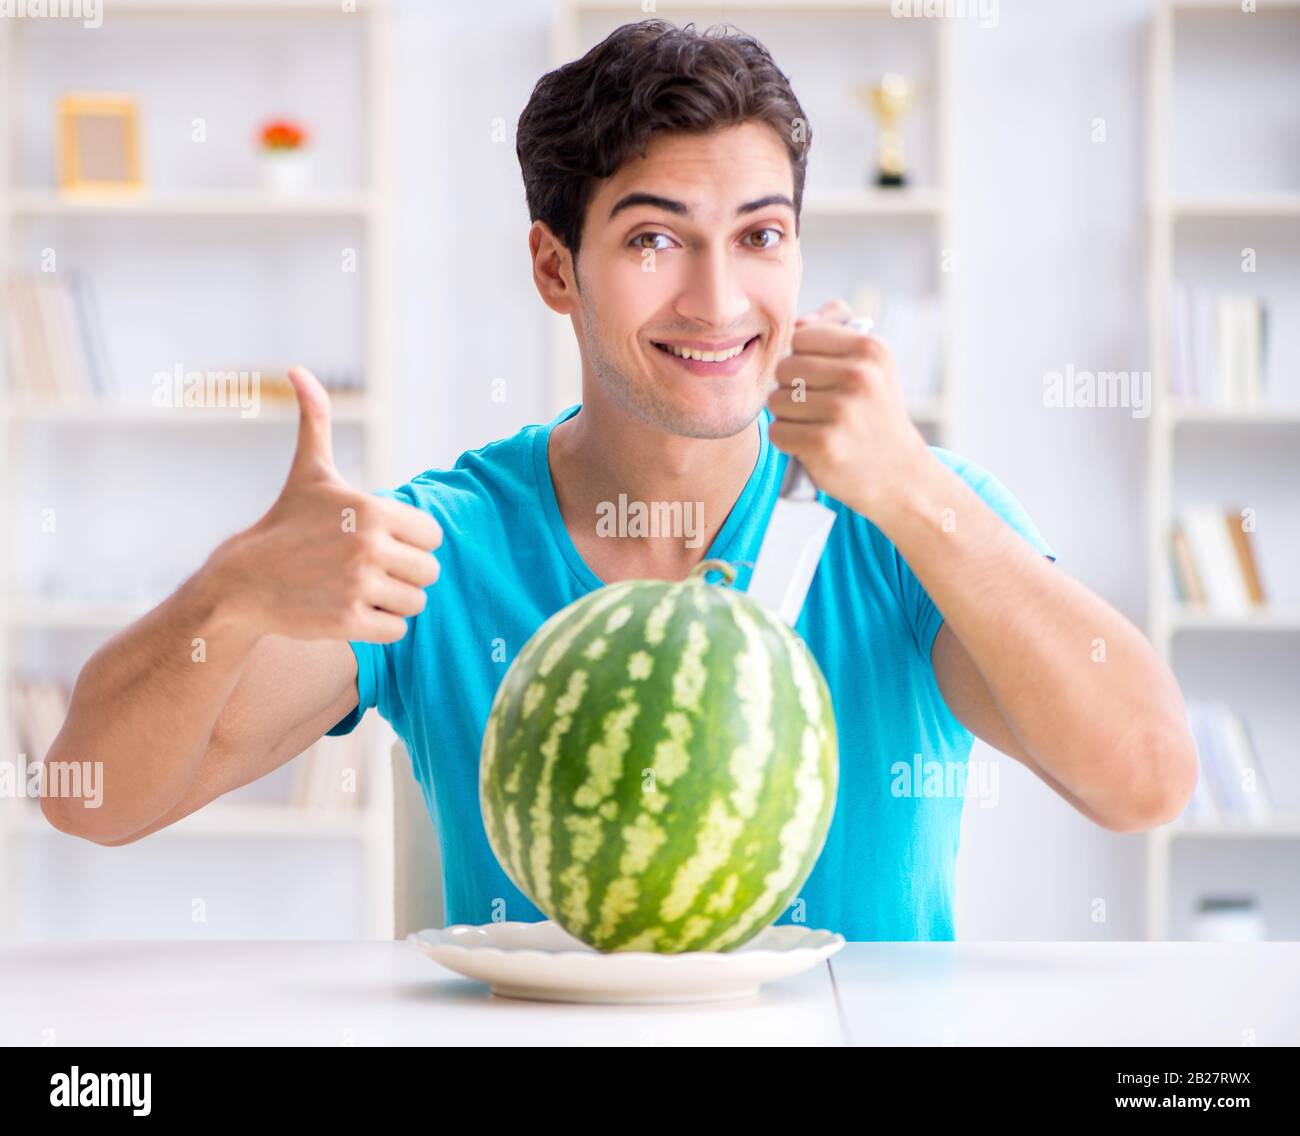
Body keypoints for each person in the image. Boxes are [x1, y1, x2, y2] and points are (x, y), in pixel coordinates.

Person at [43, 20, 1196, 941]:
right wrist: (230, 591)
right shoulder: (438, 549)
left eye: (760, 236)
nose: (718, 300)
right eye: (653, 240)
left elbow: (1143, 781)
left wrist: (916, 493)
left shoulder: (908, 518)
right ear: (556, 265)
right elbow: (92, 797)